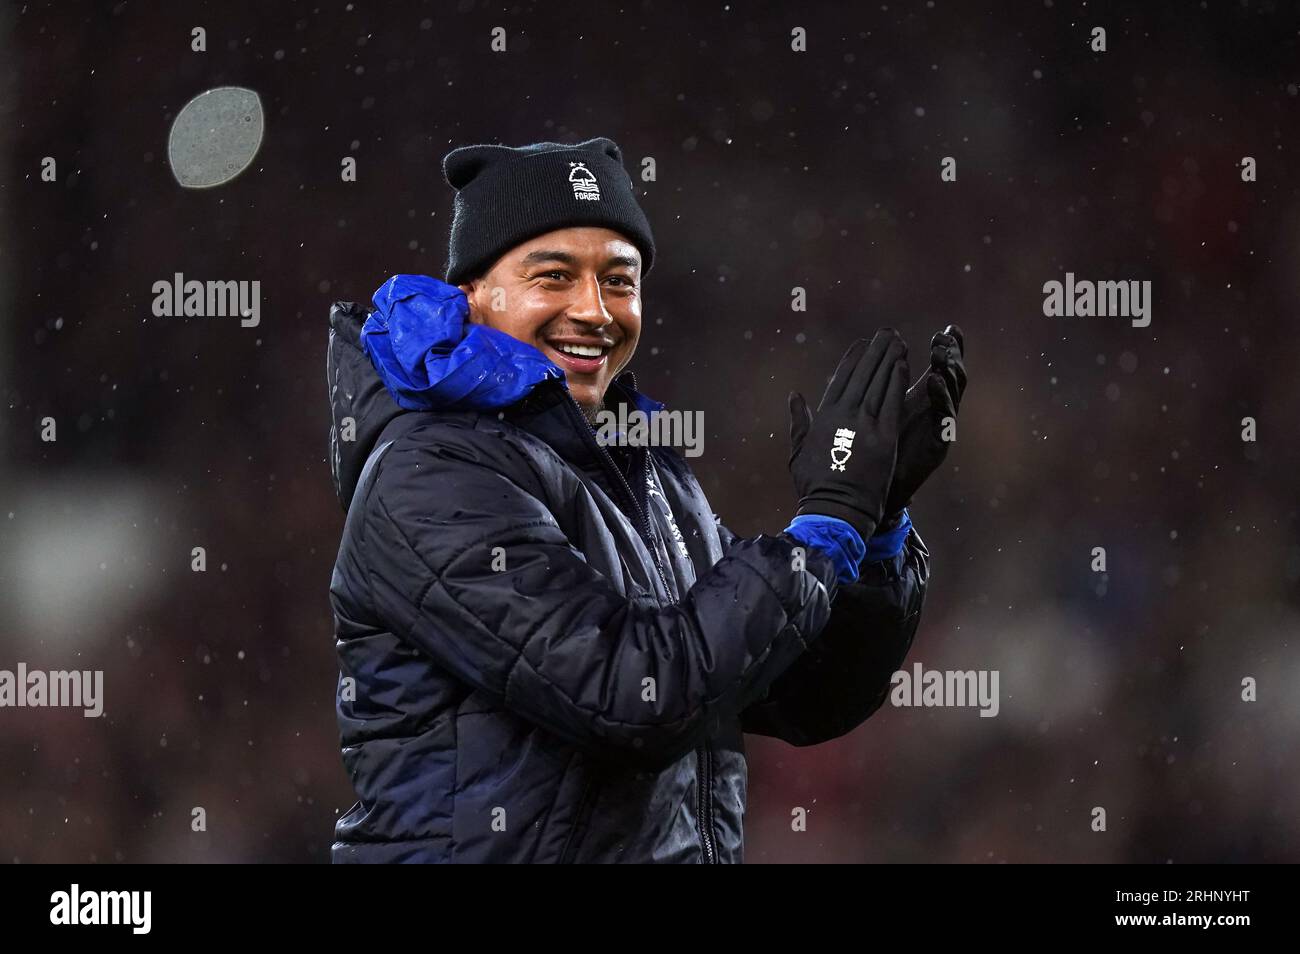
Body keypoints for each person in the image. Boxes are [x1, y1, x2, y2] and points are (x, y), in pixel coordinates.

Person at [325, 136, 967, 863]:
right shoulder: (430, 471)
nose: (594, 310)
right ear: (475, 294)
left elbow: (801, 696)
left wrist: (873, 526)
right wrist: (826, 525)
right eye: (555, 275)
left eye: (619, 281)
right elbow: (635, 694)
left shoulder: (644, 470)